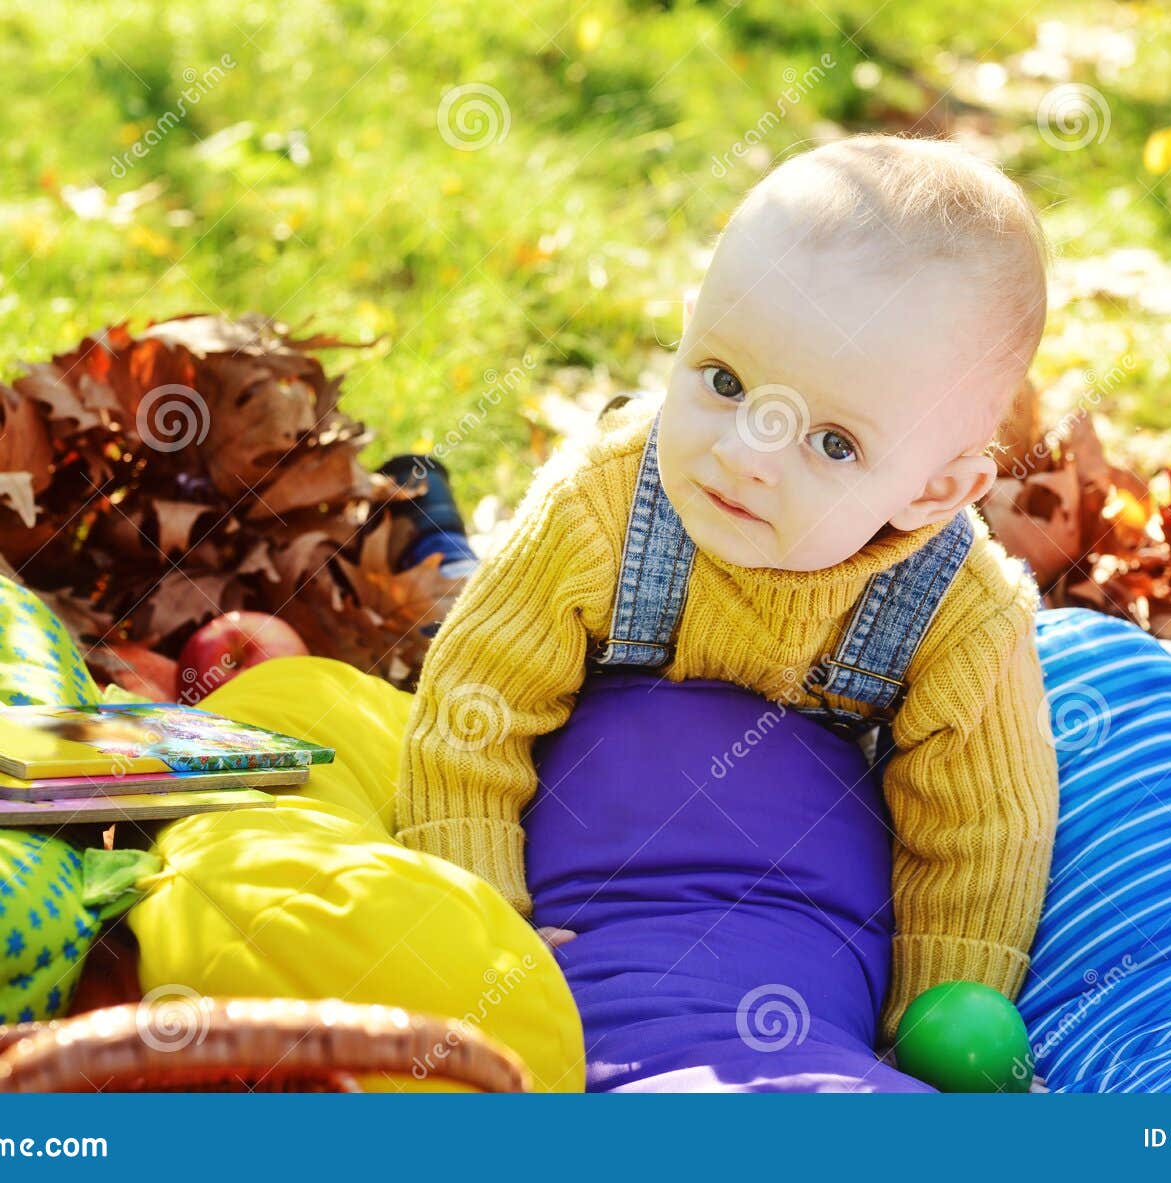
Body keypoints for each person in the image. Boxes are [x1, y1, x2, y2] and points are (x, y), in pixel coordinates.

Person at [393, 132, 1059, 1089]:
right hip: (582, 807)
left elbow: (983, 834)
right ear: (690, 322)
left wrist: (931, 1014)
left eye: (832, 443)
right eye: (725, 380)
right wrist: (488, 930)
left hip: (783, 879)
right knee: (448, 613)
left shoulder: (964, 618)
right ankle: (427, 515)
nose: (747, 452)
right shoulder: (599, 508)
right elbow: (470, 719)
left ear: (934, 489)